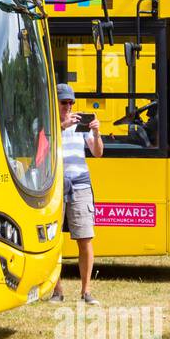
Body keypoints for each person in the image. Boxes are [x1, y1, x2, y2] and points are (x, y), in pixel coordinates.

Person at [51, 83, 103, 305]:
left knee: (85, 239)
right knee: (53, 241)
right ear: (56, 103)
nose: (69, 107)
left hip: (80, 184)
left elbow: (98, 153)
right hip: (54, 187)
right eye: (64, 103)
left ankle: (86, 291)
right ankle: (57, 290)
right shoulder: (49, 123)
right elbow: (41, 150)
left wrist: (96, 132)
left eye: (71, 103)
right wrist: (61, 127)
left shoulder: (80, 125)